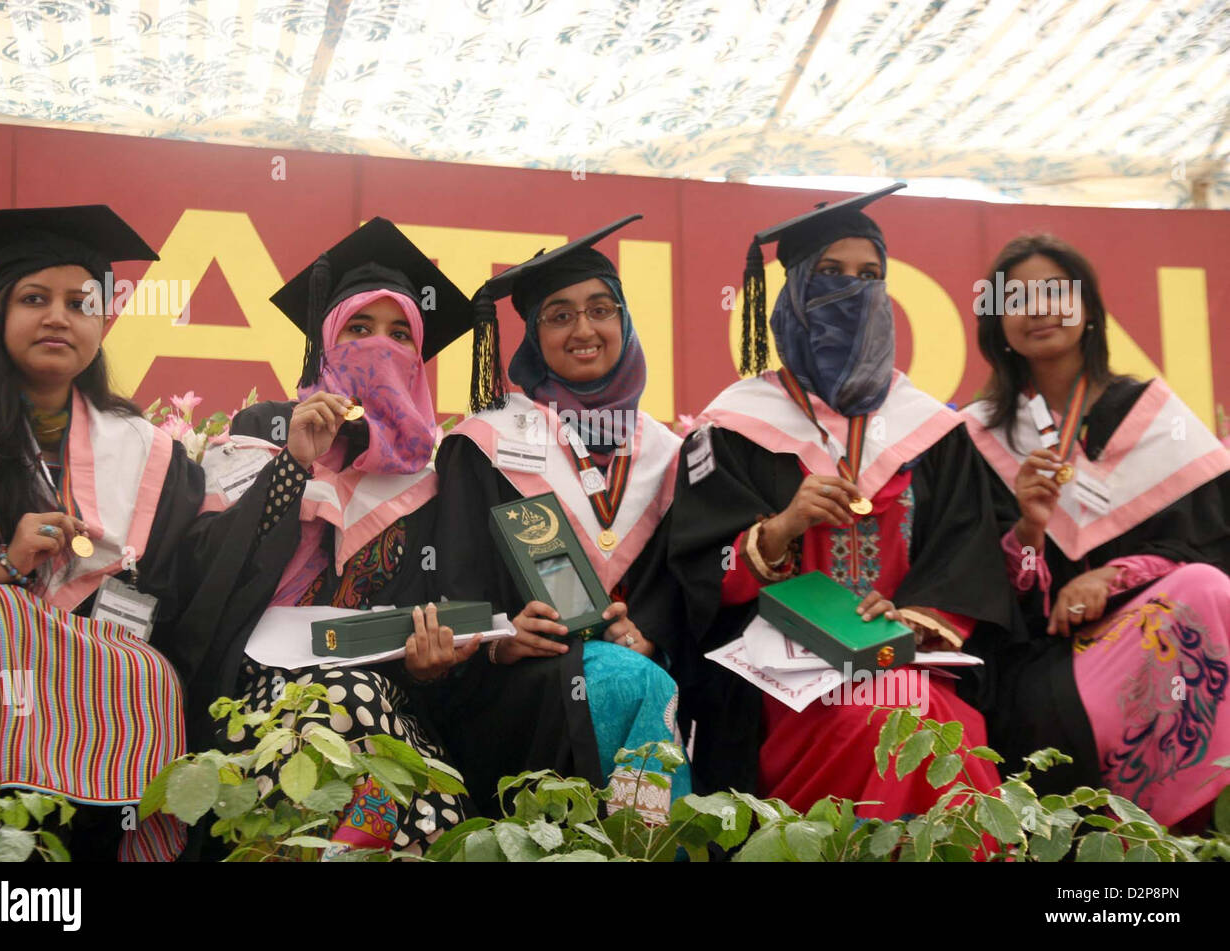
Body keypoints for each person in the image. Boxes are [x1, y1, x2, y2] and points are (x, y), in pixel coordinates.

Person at [0, 205, 313, 860]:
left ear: (103, 323)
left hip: (96, 658)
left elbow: (197, 569)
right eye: (34, 298)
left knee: (151, 670)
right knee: (3, 616)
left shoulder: (142, 447)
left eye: (80, 303)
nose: (57, 316)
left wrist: (291, 468)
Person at [667, 185, 1013, 818]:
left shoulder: (931, 430)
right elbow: (697, 571)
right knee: (902, 713)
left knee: (924, 712)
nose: (853, 290)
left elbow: (966, 551)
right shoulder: (734, 427)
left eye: (869, 276)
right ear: (794, 290)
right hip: (778, 683)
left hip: (908, 662)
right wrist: (781, 528)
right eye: (829, 274)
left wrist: (912, 618)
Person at [222, 218, 480, 855]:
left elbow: (427, 619)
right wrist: (295, 464)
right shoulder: (265, 426)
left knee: (361, 711)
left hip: (381, 700)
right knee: (345, 711)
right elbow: (221, 574)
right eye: (358, 330)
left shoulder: (431, 477)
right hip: (255, 684)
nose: (379, 348)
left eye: (400, 336)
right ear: (325, 341)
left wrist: (430, 666)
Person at [961, 233, 1230, 828]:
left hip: (1145, 636)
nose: (1038, 308)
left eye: (1056, 291)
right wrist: (1028, 533)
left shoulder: (1156, 415)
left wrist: (1114, 576)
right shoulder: (973, 440)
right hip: (1038, 659)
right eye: (1017, 297)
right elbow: (968, 579)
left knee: (1209, 588)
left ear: (1088, 311)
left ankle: (1196, 820)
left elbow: (1207, 544)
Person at [429, 216, 690, 822]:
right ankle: (642, 843)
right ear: (533, 337)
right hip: (527, 686)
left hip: (640, 669)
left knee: (637, 676)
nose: (584, 329)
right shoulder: (485, 443)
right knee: (628, 683)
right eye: (560, 315)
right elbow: (453, 583)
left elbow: (685, 583)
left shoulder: (667, 453)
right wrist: (500, 639)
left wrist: (648, 630)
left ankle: (637, 840)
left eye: (601, 309)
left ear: (624, 322)